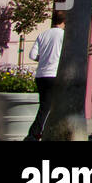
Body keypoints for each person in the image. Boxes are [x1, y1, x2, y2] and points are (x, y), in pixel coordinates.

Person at [25, 11, 64, 141]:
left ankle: (41, 132)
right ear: (64, 22)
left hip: (41, 75)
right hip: (54, 74)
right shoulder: (63, 35)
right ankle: (34, 133)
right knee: (49, 106)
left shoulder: (43, 35)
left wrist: (43, 59)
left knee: (44, 105)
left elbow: (32, 55)